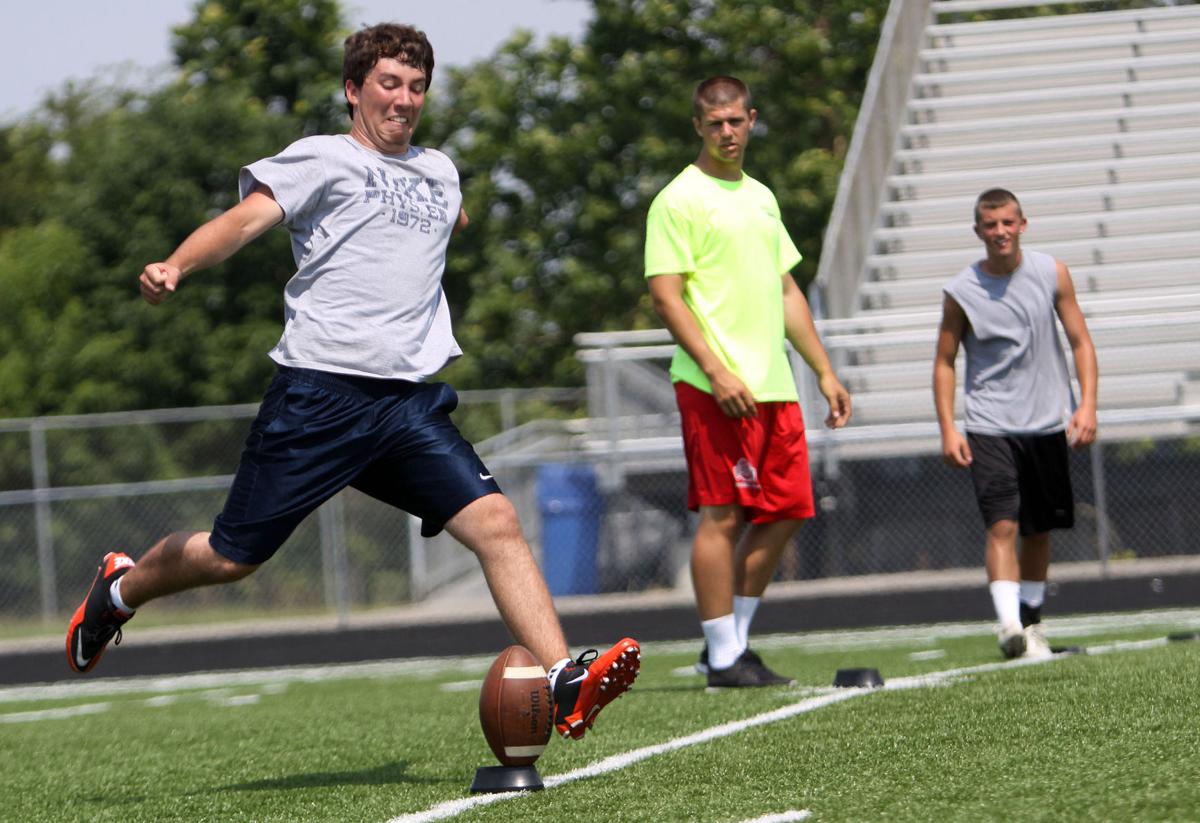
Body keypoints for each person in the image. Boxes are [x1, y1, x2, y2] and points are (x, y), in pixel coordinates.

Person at [65, 23, 639, 739]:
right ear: (353, 89)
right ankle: (120, 589)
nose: (404, 100)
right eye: (389, 84)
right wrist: (178, 264)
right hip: (319, 396)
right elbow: (246, 221)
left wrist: (443, 213)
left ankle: (565, 682)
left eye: (417, 87)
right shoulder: (322, 159)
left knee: (498, 522)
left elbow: (441, 213)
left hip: (406, 404)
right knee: (229, 556)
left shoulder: (439, 170)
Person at [644, 76, 852, 688]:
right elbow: (666, 296)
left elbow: (787, 289)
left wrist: (824, 369)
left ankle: (731, 643)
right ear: (699, 127)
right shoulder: (678, 199)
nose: (727, 133)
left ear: (752, 119)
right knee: (723, 515)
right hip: (715, 388)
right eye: (716, 124)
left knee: (787, 509)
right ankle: (723, 654)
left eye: (736, 121)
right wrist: (716, 369)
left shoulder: (762, 197)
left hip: (775, 386)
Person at [934, 188, 1098, 660]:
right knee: (1002, 523)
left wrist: (1086, 406)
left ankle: (1030, 624)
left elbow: (1081, 342)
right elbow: (944, 361)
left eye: (1008, 223)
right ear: (978, 231)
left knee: (1039, 529)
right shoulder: (961, 291)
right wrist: (949, 427)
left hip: (1047, 423)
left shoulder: (1052, 273)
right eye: (991, 225)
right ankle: (1008, 625)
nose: (1000, 232)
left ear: (1023, 224)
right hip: (990, 424)